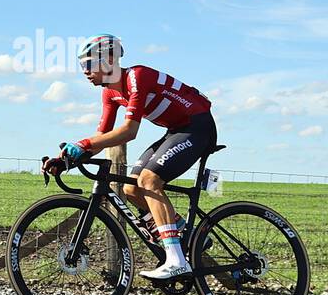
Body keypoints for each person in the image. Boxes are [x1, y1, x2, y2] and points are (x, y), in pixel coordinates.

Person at [48, 34, 217, 281]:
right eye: (82, 66)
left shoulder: (137, 76)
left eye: (88, 64)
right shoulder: (109, 94)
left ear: (108, 60)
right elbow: (102, 137)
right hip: (177, 130)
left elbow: (129, 132)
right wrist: (65, 160)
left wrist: (83, 144)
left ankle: (176, 259)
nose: (85, 72)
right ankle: (185, 235)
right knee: (131, 189)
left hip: (198, 127)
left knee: (149, 180)